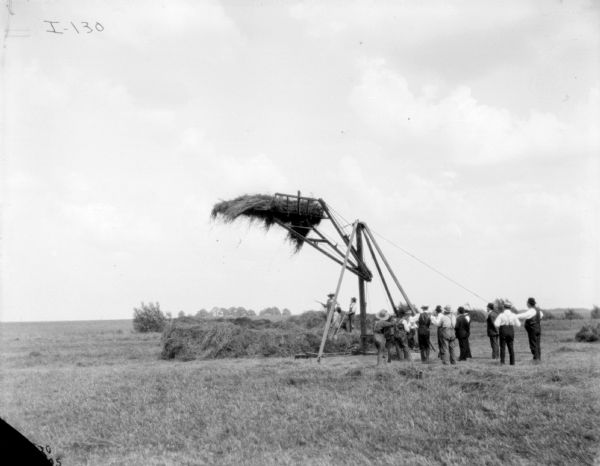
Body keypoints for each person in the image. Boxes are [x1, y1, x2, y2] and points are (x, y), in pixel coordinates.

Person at [493, 299, 521, 365]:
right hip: (511, 330)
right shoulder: (513, 315)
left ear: (504, 307)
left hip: (503, 330)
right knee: (511, 347)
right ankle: (512, 362)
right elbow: (519, 325)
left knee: (502, 347)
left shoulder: (501, 315)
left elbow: (496, 324)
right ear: (510, 307)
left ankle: (502, 362)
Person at [517, 297, 543, 362]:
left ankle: (536, 359)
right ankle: (538, 358)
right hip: (538, 328)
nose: (526, 304)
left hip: (532, 329)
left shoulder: (531, 310)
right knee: (537, 344)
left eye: (527, 303)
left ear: (529, 304)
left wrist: (515, 316)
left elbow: (524, 315)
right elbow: (542, 315)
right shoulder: (538, 310)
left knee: (533, 345)